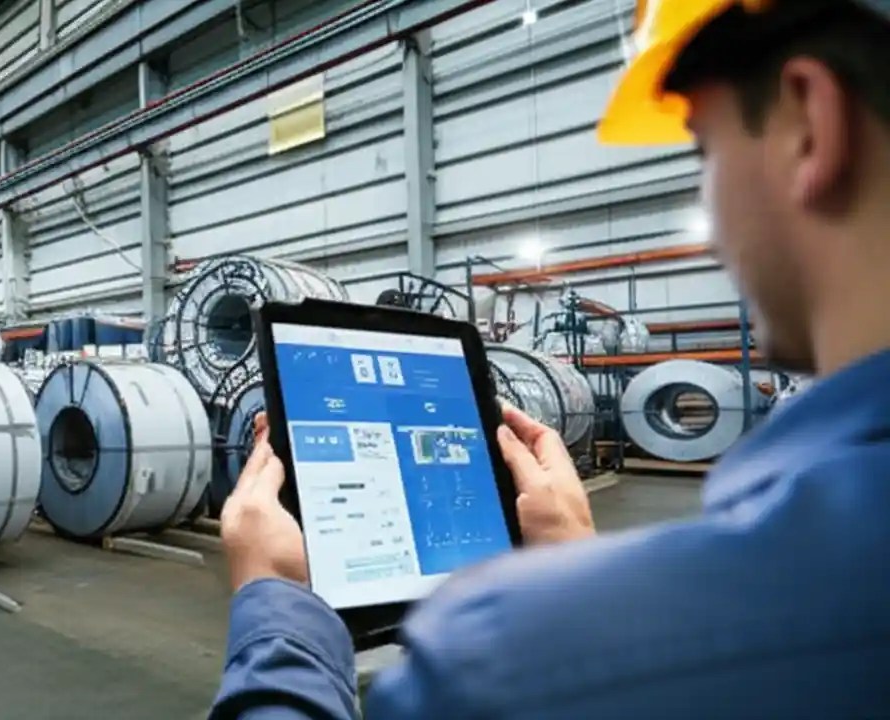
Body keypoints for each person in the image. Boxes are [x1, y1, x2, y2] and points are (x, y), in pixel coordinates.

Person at [210, 0, 890, 716]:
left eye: (705, 152)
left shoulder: (505, 670)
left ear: (810, 126)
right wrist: (573, 562)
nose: (712, 223)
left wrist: (275, 603)